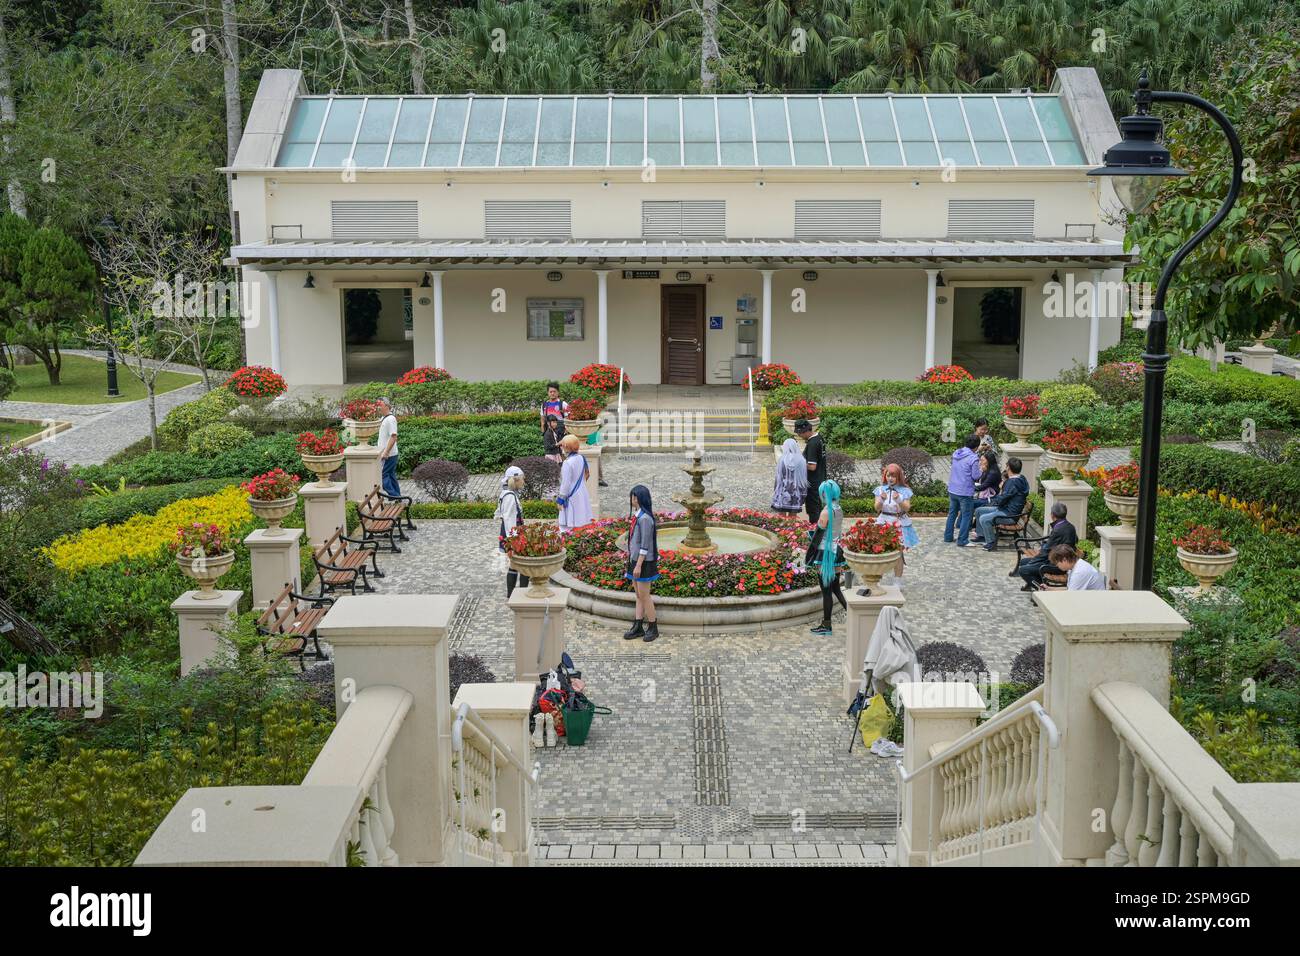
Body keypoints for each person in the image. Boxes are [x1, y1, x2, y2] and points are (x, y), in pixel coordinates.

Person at [808, 479, 848, 636]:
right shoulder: (839, 509)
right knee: (836, 588)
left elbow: (818, 535)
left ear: (824, 494)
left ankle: (826, 625)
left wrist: (809, 553)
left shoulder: (825, 512)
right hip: (837, 550)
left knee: (826, 591)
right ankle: (854, 615)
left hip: (825, 553)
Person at [623, 485, 660, 643]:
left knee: (644, 595)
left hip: (643, 563)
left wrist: (638, 565)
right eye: (632, 496)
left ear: (640, 499)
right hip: (635, 560)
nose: (632, 499)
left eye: (634, 496)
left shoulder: (645, 519)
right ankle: (638, 625)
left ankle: (653, 627)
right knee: (638, 595)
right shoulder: (638, 516)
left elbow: (645, 546)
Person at [1016, 502, 1078, 591]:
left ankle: (1042, 589)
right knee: (1023, 562)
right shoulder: (1070, 526)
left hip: (1058, 564)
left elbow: (1045, 552)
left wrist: (1033, 562)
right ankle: (1036, 583)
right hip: (1060, 559)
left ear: (1052, 515)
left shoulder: (1058, 529)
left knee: (1023, 570)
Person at [972, 456, 1029, 551]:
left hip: (1009, 515)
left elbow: (1002, 499)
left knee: (984, 519)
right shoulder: (1021, 478)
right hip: (1006, 509)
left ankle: (991, 543)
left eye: (1006, 466)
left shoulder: (1012, 483)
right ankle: (982, 535)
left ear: (1008, 468)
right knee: (979, 511)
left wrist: (998, 493)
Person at [873, 463, 918, 581]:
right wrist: (881, 500)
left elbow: (907, 508)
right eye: (888, 475)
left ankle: (897, 582)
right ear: (885, 476)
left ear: (898, 477)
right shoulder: (880, 489)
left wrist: (898, 499)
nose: (890, 478)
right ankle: (877, 580)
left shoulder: (905, 491)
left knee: (898, 554)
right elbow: (876, 508)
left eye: (893, 476)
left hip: (898, 523)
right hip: (883, 522)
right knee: (880, 552)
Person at [495, 465, 529, 598]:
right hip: (514, 536)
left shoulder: (508, 493)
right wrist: (513, 542)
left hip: (514, 535)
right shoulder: (509, 496)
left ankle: (514, 594)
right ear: (515, 480)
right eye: (521, 479)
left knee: (516, 565)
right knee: (523, 564)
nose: (523, 482)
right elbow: (509, 521)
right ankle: (521, 594)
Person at [943, 435, 982, 546]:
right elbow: (975, 476)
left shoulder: (957, 453)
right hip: (964, 491)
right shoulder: (973, 458)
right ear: (977, 446)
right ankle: (962, 540)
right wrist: (982, 471)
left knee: (952, 514)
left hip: (953, 488)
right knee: (967, 515)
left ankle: (948, 536)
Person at [555, 434, 593, 531]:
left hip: (570, 494)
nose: (561, 447)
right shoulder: (581, 458)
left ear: (566, 447)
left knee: (567, 525)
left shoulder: (567, 463)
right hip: (581, 491)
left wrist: (560, 500)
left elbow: (565, 483)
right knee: (580, 521)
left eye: (562, 445)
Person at [796, 419, 827, 524]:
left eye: (799, 433)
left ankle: (815, 534)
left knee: (813, 510)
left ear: (805, 431)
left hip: (813, 483)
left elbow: (812, 466)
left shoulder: (812, 444)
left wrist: (799, 463)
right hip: (821, 479)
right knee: (818, 507)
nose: (799, 435)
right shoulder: (819, 438)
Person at [772, 438, 809, 514]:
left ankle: (782, 526)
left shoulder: (782, 460)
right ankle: (791, 526)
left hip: (783, 490)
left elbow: (779, 477)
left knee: (781, 515)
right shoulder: (802, 460)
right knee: (793, 516)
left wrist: (775, 489)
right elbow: (804, 477)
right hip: (796, 490)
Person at [376, 397, 401, 498]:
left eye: (380, 405)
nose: (378, 407)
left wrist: (386, 452)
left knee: (382, 476)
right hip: (388, 454)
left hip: (389, 455)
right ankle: (398, 498)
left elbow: (393, 437)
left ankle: (394, 496)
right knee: (391, 476)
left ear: (386, 406)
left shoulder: (390, 419)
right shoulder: (383, 418)